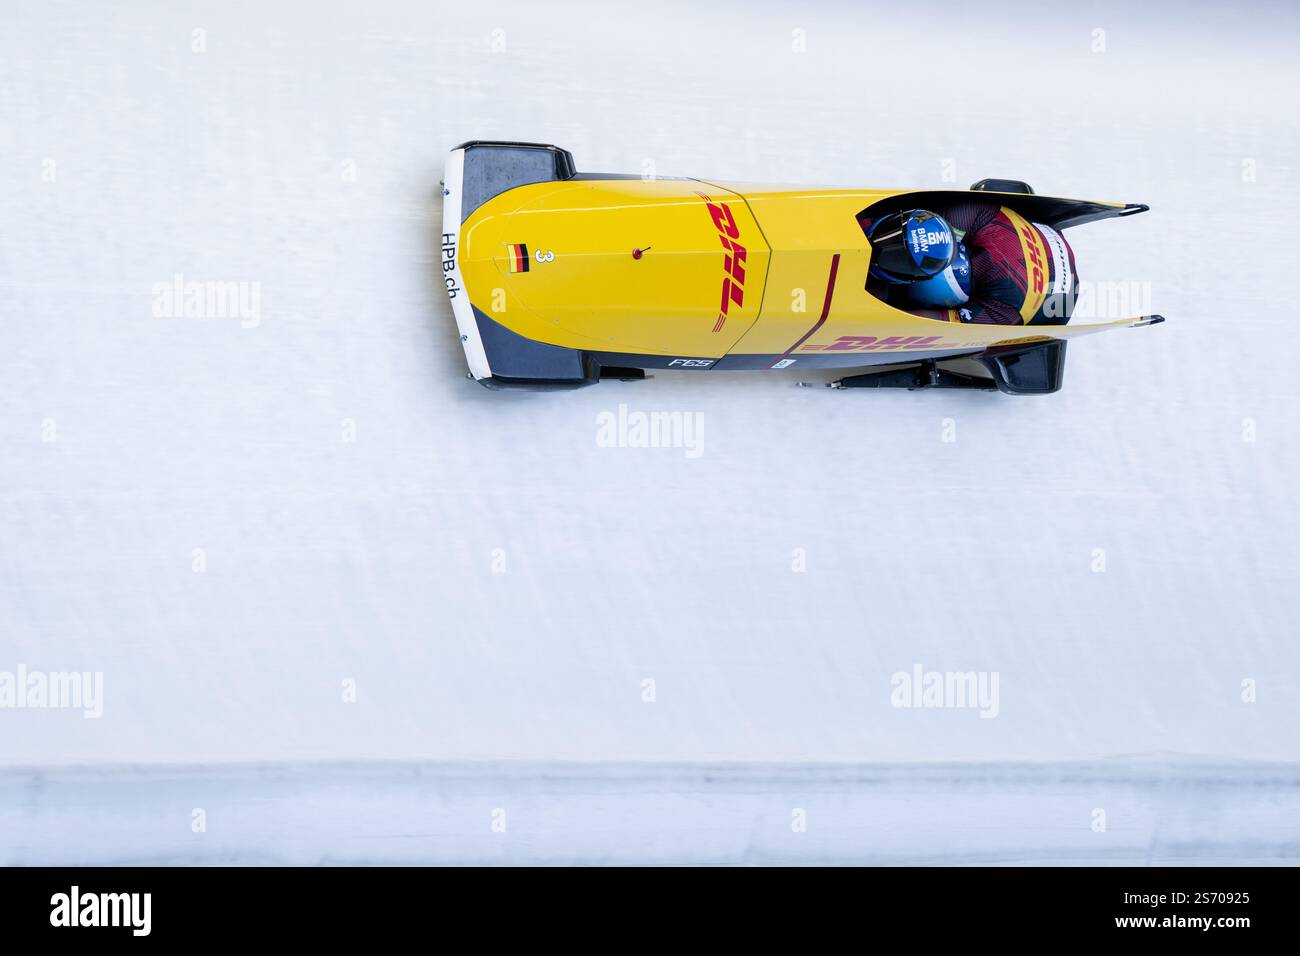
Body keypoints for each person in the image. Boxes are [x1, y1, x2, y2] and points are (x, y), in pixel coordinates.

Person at [862, 202, 1078, 325]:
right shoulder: (975, 215)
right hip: (1027, 233)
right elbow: (922, 225)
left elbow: (935, 324)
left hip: (1057, 304)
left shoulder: (1003, 309)